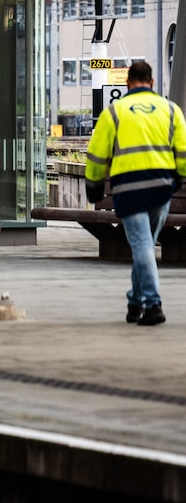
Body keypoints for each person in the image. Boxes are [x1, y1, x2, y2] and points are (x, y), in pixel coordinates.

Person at [84, 60, 186, 325]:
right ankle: (135, 301)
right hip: (162, 188)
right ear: (152, 83)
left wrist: (93, 186)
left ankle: (153, 304)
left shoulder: (114, 112)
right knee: (146, 245)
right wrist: (178, 179)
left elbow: (96, 155)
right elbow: (183, 152)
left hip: (129, 189)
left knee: (142, 246)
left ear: (128, 83)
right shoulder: (171, 110)